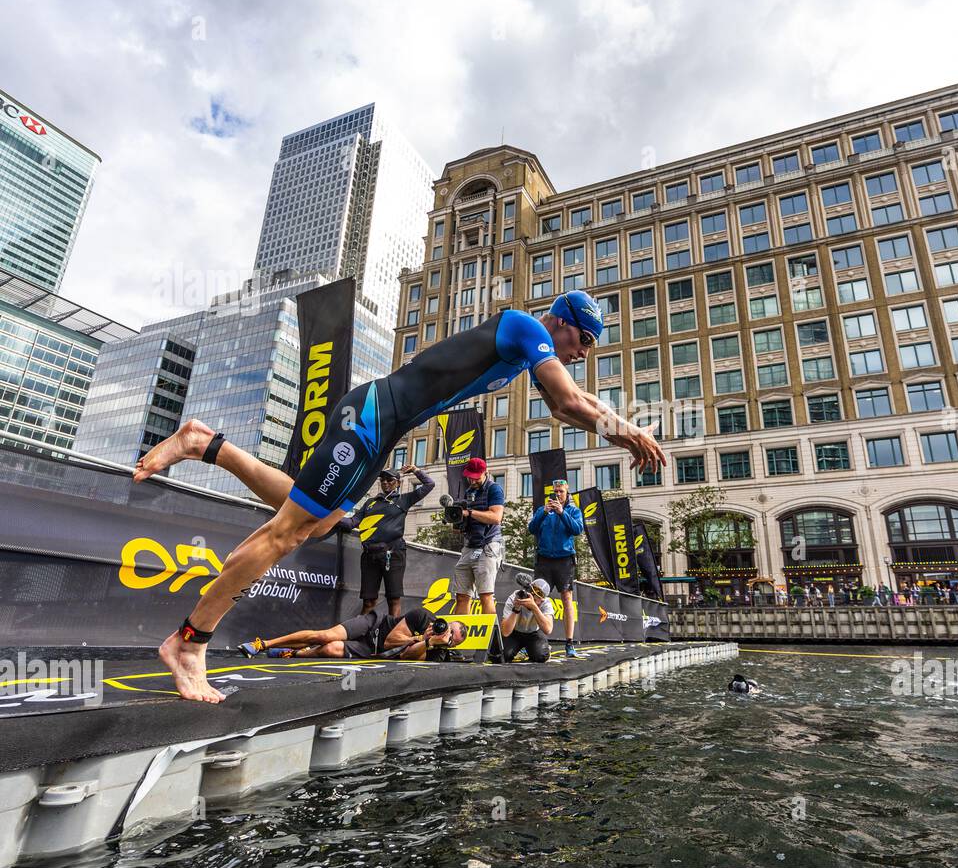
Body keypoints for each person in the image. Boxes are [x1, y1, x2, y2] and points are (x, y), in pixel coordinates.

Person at [133, 289, 666, 702]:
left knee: (314, 520)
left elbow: (566, 402)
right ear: (564, 323)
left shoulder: (529, 349)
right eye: (585, 343)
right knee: (287, 532)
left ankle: (204, 443)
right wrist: (629, 432)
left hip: (380, 426)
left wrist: (622, 424)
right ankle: (189, 641)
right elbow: (572, 401)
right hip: (371, 419)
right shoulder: (527, 329)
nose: (583, 354)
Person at [335, 463, 435, 617]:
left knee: (393, 599)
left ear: (399, 483)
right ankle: (360, 635)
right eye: (382, 480)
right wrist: (328, 517)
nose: (386, 482)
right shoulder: (370, 503)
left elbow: (430, 484)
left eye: (390, 480)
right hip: (369, 556)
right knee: (368, 601)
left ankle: (390, 636)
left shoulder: (404, 499)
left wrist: (415, 470)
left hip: (393, 555)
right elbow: (352, 522)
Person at [238, 609, 467, 660]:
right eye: (448, 628)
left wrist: (428, 643)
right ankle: (263, 644)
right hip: (374, 626)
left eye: (450, 638)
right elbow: (391, 641)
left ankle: (292, 653)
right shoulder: (423, 616)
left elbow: (407, 657)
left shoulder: (437, 652)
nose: (445, 634)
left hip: (372, 651)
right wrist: (419, 637)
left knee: (330, 649)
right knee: (325, 637)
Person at [527, 478, 583, 657]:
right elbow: (532, 528)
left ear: (567, 493)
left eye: (561, 492)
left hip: (564, 560)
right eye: (555, 491)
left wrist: (562, 513)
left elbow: (577, 530)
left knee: (566, 599)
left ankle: (569, 643)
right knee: (535, 598)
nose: (557, 494)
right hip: (543, 560)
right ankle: (527, 638)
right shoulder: (542, 509)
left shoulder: (573, 511)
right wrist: (544, 512)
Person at [451, 457, 506, 621]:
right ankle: (460, 640)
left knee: (485, 596)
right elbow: (468, 521)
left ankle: (489, 644)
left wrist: (470, 513)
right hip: (469, 546)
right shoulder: (469, 492)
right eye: (470, 476)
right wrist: (459, 523)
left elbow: (496, 517)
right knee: (461, 596)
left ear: (485, 473)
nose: (472, 480)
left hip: (488, 546)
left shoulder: (494, 489)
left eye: (476, 477)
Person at [491, 576, 555, 664]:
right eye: (530, 595)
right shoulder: (516, 597)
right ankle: (520, 650)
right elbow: (505, 632)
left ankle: (535, 649)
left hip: (533, 632)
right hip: (515, 631)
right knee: (499, 656)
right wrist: (516, 609)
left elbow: (548, 629)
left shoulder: (546, 603)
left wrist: (534, 608)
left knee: (541, 656)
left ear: (542, 601)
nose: (530, 599)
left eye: (535, 599)